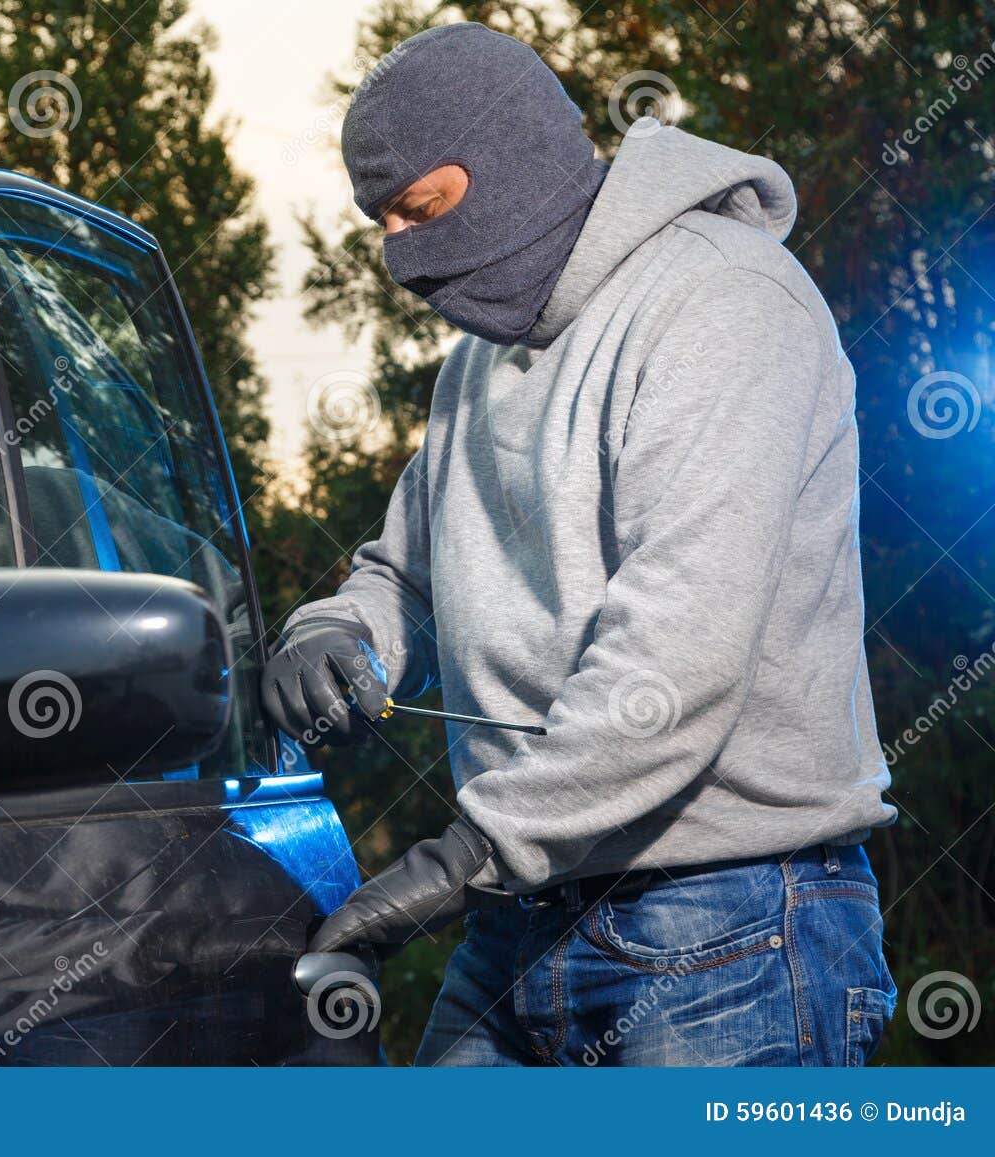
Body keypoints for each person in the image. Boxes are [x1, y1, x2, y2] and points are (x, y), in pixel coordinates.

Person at [262, 23, 896, 1066]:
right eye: (383, 226)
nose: (403, 259)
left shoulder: (725, 303)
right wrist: (338, 630)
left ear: (507, 157)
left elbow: (674, 661)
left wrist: (463, 853)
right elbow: (406, 569)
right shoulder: (479, 361)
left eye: (421, 212)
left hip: (724, 920)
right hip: (521, 904)